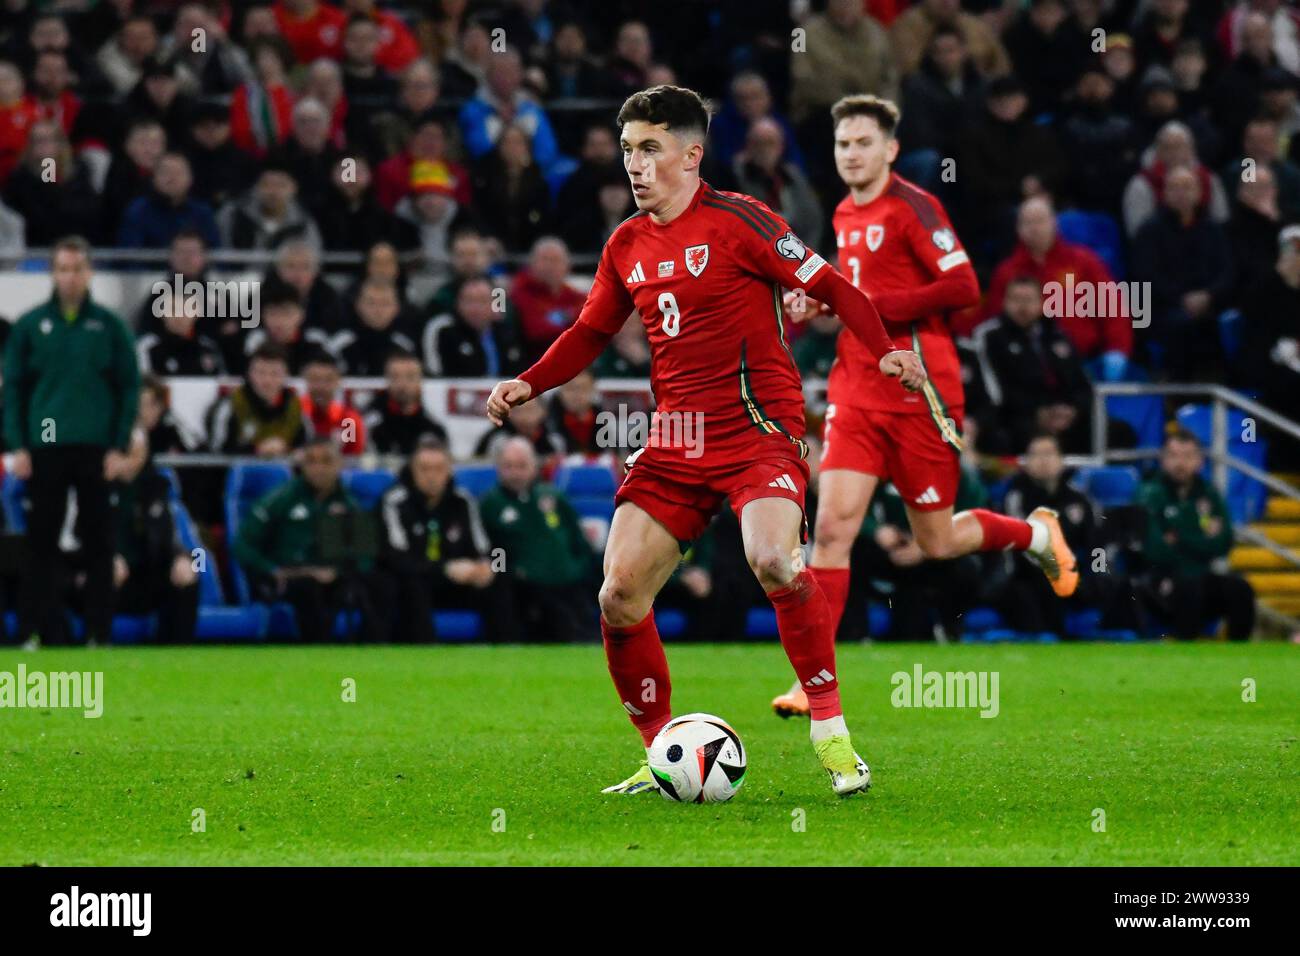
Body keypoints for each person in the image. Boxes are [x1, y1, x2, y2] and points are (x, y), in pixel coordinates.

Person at [486, 85, 928, 797]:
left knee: (772, 561)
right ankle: (660, 750)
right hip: (675, 439)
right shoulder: (625, 243)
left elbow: (838, 288)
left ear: (692, 156)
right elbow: (591, 332)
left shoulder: (742, 221)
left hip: (759, 429)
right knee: (619, 596)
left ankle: (831, 732)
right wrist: (528, 383)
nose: (635, 164)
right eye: (628, 149)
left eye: (650, 149)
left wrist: (883, 351)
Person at [769, 95, 1077, 718]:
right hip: (856, 386)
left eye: (862, 143)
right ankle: (815, 681)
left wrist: (876, 306)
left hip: (920, 389)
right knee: (830, 530)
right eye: (841, 144)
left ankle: (1036, 534)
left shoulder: (916, 206)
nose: (850, 154)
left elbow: (964, 287)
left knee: (935, 541)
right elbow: (856, 299)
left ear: (889, 150)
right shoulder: (842, 214)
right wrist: (823, 306)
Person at [3, 237, 140, 647]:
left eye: (77, 268)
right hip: (46, 447)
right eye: (63, 269)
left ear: (89, 272)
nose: (70, 277)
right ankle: (33, 632)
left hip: (95, 449)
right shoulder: (30, 325)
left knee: (100, 542)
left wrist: (118, 445)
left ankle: (99, 634)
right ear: (53, 273)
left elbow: (128, 387)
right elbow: (14, 390)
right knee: (40, 543)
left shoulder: (109, 326)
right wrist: (18, 446)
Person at [233, 436, 387, 642]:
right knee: (309, 589)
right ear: (302, 465)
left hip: (334, 578)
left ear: (339, 464)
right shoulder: (280, 499)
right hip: (290, 577)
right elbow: (242, 546)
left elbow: (365, 555)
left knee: (379, 584)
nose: (319, 468)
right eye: (312, 461)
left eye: (326, 461)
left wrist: (338, 571)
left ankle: (375, 654)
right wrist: (272, 570)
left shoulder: (349, 504)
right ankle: (316, 653)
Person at [378, 438, 506, 643]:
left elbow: (484, 548)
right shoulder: (395, 502)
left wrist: (485, 567)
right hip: (417, 580)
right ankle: (426, 655)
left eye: (438, 469)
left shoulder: (462, 501)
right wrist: (445, 568)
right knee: (410, 586)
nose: (431, 476)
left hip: (457, 581)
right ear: (412, 471)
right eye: (424, 469)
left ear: (449, 471)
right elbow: (396, 558)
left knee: (499, 580)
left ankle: (505, 653)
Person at [1137, 430, 1256, 640]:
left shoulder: (1208, 493)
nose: (1180, 463)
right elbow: (1155, 550)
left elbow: (1222, 543)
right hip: (1160, 579)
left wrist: (1179, 537)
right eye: (1173, 456)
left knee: (1240, 589)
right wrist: (1199, 541)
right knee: (1189, 588)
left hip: (1201, 576)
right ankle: (1185, 654)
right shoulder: (1150, 492)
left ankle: (1240, 656)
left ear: (1200, 461)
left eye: (1188, 456)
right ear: (1163, 460)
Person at [477, 437, 594, 643]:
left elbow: (577, 539)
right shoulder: (491, 504)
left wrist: (578, 567)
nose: (515, 473)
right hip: (527, 588)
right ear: (499, 468)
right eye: (509, 466)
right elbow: (491, 549)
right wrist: (510, 571)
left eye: (522, 466)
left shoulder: (552, 496)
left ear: (534, 467)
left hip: (571, 582)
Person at [206, 342, 306, 456]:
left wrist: (287, 450)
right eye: (261, 373)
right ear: (249, 373)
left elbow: (305, 448)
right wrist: (257, 450)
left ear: (286, 375)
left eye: (275, 374)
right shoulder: (230, 406)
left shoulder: (296, 407)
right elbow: (217, 451)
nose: (267, 381)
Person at [362, 350, 449, 456]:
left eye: (410, 377)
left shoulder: (433, 430)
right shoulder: (369, 425)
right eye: (395, 377)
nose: (402, 384)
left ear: (420, 381)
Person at [299, 351, 366, 456]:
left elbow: (353, 461)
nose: (321, 386)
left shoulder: (348, 421)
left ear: (338, 382)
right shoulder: (295, 414)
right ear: (306, 381)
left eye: (328, 380)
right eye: (315, 379)